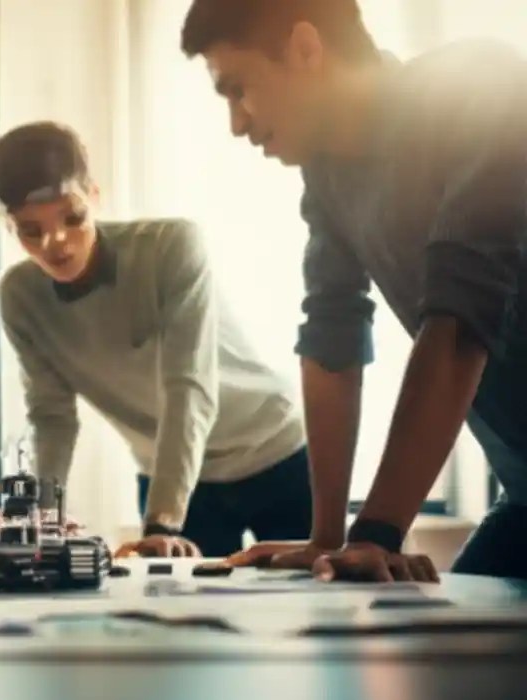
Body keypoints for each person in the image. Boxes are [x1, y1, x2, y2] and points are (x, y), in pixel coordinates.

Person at [180, 0, 527, 582]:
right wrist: (328, 536)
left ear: (306, 49)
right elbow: (332, 341)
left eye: (238, 89)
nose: (236, 124)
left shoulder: (482, 89)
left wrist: (378, 532)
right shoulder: (329, 177)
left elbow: (460, 322)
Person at [0, 121, 313, 559]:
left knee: (324, 611)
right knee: (181, 621)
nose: (56, 242)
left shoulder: (172, 246)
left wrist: (162, 521)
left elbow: (188, 389)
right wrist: (42, 523)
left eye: (73, 216)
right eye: (31, 230)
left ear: (94, 195)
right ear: (8, 226)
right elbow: (52, 417)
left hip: (278, 452)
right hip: (175, 477)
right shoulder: (17, 295)